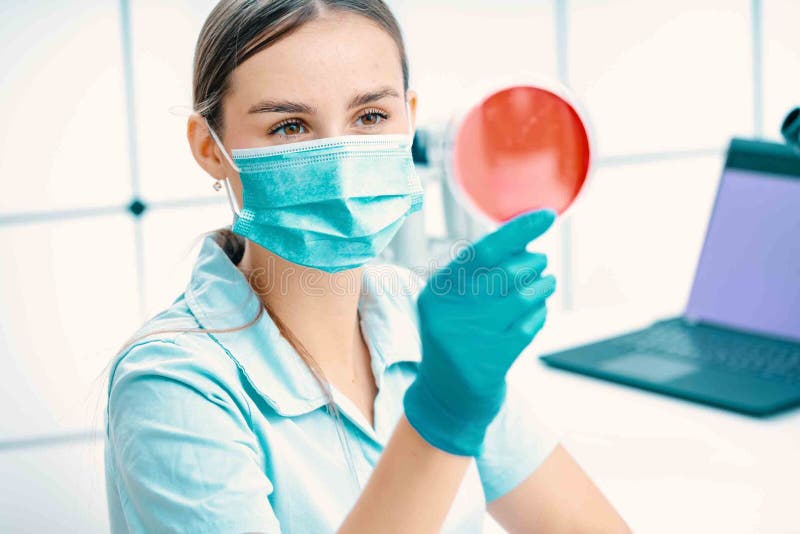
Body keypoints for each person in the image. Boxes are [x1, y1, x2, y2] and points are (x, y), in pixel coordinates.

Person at [103, 1, 632, 532]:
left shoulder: (417, 318)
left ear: (410, 116)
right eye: (289, 126)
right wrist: (442, 415)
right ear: (208, 147)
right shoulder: (174, 385)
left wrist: (457, 394)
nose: (340, 160)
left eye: (371, 117)